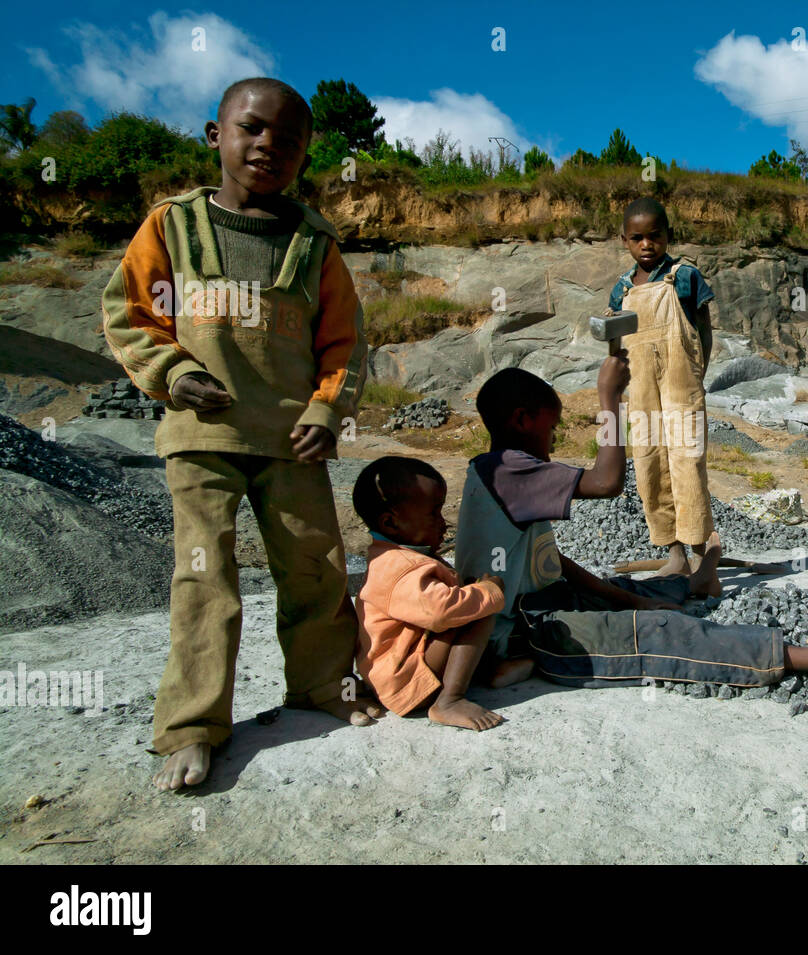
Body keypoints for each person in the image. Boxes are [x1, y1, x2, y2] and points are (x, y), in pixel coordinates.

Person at [101, 77, 379, 790]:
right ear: (213, 135)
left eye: (288, 141)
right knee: (205, 577)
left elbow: (345, 343)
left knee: (315, 569)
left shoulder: (315, 245)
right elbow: (131, 313)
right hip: (203, 438)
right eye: (251, 129)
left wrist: (326, 407)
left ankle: (321, 687)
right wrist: (169, 371)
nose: (268, 147)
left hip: (293, 442)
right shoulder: (173, 225)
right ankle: (193, 727)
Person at [452, 361, 808, 688]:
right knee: (657, 633)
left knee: (640, 594)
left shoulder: (497, 469)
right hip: (525, 631)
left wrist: (629, 596)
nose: (554, 438)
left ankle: (695, 585)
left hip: (542, 599)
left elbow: (556, 564)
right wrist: (609, 400)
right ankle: (803, 658)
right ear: (523, 420)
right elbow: (608, 482)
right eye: (552, 428)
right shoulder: (509, 471)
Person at [352, 457, 527, 731]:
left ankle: (487, 670)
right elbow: (440, 612)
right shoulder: (397, 567)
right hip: (404, 680)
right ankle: (449, 700)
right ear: (390, 523)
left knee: (469, 598)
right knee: (477, 610)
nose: (443, 523)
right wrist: (489, 591)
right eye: (434, 513)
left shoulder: (397, 556)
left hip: (401, 672)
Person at [608, 197, 720, 591]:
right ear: (624, 240)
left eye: (654, 236)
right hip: (640, 389)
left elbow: (703, 331)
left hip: (681, 383)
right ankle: (675, 555)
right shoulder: (621, 289)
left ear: (667, 235)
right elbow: (615, 342)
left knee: (688, 462)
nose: (646, 245)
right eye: (636, 238)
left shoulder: (684, 277)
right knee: (650, 463)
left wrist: (697, 372)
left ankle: (704, 555)